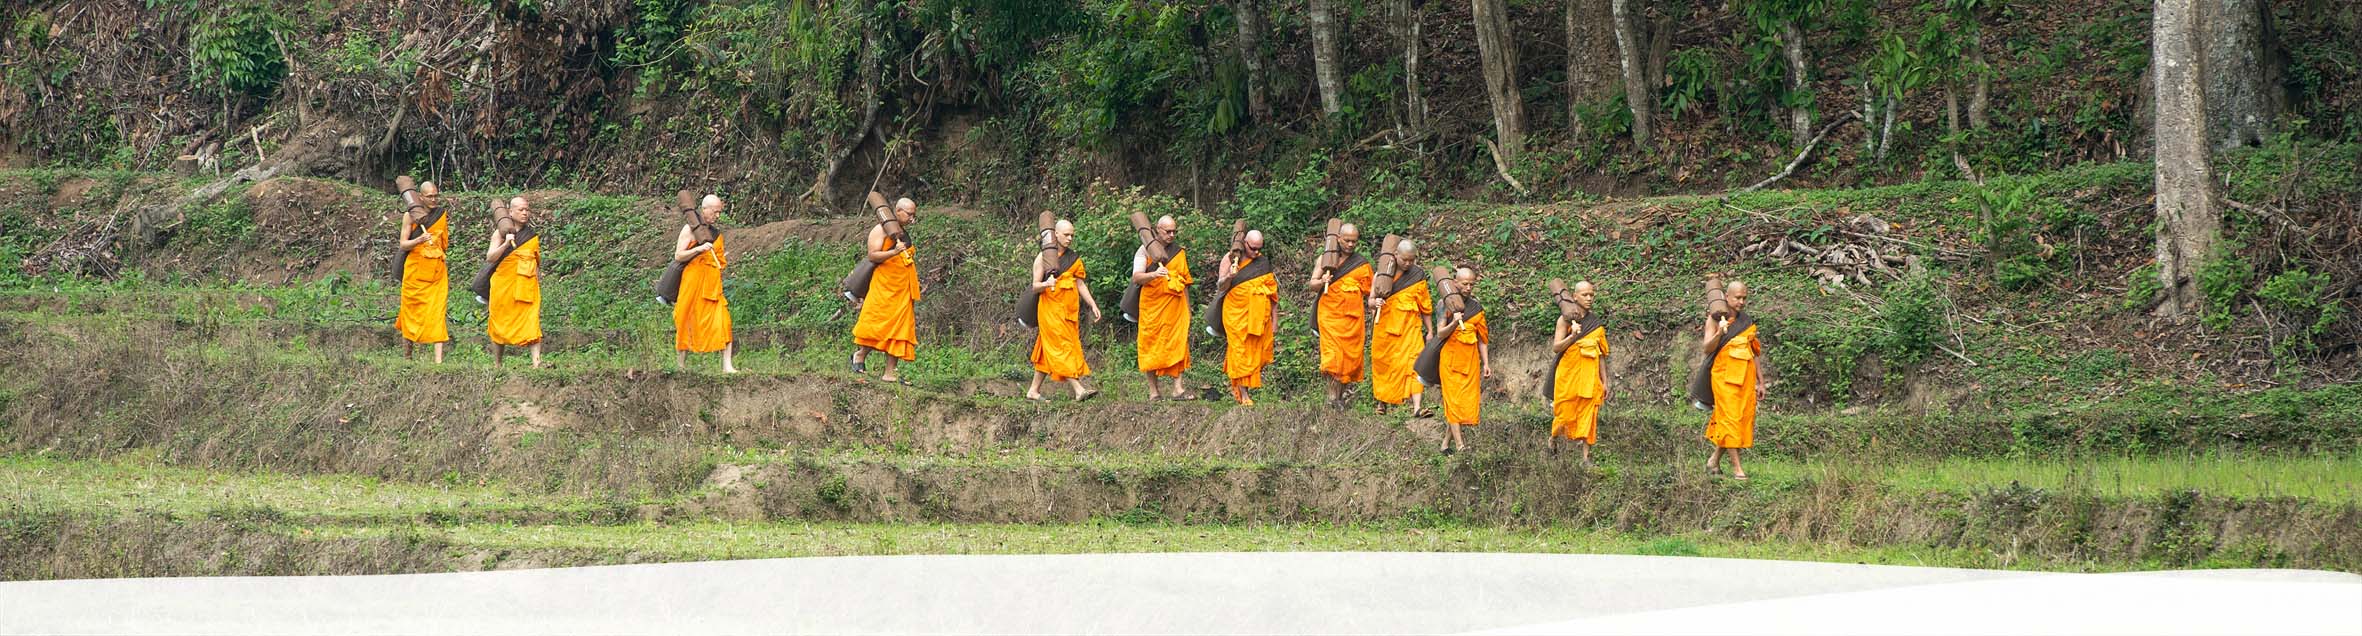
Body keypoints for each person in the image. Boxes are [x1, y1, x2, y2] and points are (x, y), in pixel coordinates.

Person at [1028, 219, 1102, 401]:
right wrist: (1047, 283)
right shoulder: (1043, 257)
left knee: (1049, 350)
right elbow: (1034, 286)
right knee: (1061, 348)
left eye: (1072, 235)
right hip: (1049, 312)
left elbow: (1080, 283)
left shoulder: (1073, 258)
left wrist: (1092, 304)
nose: (1070, 238)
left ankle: (1033, 391)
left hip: (1068, 313)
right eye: (1066, 235)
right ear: (1056, 235)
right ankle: (1079, 390)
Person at [852, 198, 921, 384]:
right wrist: (893, 252)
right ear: (897, 211)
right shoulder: (880, 229)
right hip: (883, 287)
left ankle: (890, 373)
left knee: (899, 330)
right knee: (876, 325)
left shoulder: (903, 234)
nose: (912, 218)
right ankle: (860, 355)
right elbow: (873, 255)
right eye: (909, 214)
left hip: (902, 290)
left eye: (914, 215)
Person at [1701, 280, 1762, 479]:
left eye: (1744, 298)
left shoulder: (1747, 322)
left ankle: (1713, 461)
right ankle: (1738, 469)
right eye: (1737, 297)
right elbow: (1707, 348)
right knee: (1730, 420)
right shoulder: (1714, 319)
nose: (1741, 301)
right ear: (1726, 297)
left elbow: (1754, 353)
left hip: (1745, 378)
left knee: (1741, 420)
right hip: (1724, 378)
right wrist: (1720, 331)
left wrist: (1761, 382)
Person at [1308, 223, 1370, 409]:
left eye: (1354, 241)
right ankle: (1332, 397)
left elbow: (1370, 291)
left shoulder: (1362, 264)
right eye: (1347, 240)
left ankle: (1341, 396)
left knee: (1349, 359)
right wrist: (1322, 281)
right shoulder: (1327, 259)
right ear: (1338, 239)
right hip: (1330, 317)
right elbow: (1312, 284)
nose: (1351, 245)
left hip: (1352, 319)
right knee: (1334, 358)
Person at [1132, 215, 1194, 400]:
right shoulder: (1144, 250)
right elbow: (1137, 277)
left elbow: (1184, 282)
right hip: (1152, 307)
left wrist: (1188, 308)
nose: (1172, 235)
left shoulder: (1179, 252)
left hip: (1176, 307)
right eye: (1168, 231)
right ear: (1157, 230)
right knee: (1151, 345)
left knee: (1179, 342)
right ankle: (1154, 392)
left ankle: (1178, 388)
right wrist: (1154, 274)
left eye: (1174, 231)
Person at [672, 194, 735, 373]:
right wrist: (699, 249)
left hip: (712, 286)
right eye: (715, 212)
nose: (717, 216)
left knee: (724, 321)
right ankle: (681, 366)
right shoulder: (689, 229)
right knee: (686, 321)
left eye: (719, 212)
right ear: (705, 209)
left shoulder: (715, 234)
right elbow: (678, 255)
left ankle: (727, 366)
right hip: (692, 283)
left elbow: (720, 260)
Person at [1367, 240, 1430, 417]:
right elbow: (1370, 301)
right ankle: (1382, 402)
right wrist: (1375, 302)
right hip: (1385, 329)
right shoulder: (1382, 274)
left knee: (1414, 363)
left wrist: (1430, 330)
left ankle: (1417, 407)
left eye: (1412, 260)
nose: (1408, 264)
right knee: (1385, 365)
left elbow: (1425, 306)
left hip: (1410, 329)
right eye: (1405, 260)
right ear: (1395, 255)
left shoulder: (1418, 276)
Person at [1548, 281, 1608, 463]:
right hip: (1568, 376)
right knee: (1564, 415)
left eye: (1592, 295)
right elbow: (1556, 347)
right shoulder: (1564, 320)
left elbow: (1601, 355)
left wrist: (1605, 381)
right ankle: (1553, 439)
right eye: (1585, 295)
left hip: (1590, 378)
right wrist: (1572, 336)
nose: (1589, 298)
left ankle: (1586, 457)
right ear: (1574, 297)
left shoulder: (1596, 325)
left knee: (1589, 416)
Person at [1217, 230, 1278, 406]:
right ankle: (1243, 394)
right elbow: (1221, 286)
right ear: (1244, 243)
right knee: (1240, 351)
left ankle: (1244, 387)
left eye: (1260, 249)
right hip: (1236, 314)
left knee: (1261, 354)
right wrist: (1230, 276)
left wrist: (1275, 320)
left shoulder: (1263, 263)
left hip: (1260, 317)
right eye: (1253, 248)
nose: (1256, 253)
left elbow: (1273, 295)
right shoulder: (1229, 259)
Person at [1434, 267, 1490, 454]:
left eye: (1471, 284)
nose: (1467, 287)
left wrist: (1486, 363)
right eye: (1464, 284)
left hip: (1470, 362)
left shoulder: (1476, 307)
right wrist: (1453, 322)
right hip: (1449, 361)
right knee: (1453, 402)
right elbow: (1440, 333)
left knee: (1465, 403)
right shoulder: (1444, 304)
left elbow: (1482, 339)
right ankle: (1460, 445)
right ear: (1455, 283)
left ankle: (1445, 443)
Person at [485, 197, 544, 368]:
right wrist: (505, 244)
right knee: (499, 325)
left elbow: (536, 262)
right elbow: (490, 257)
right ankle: (497, 364)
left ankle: (536, 363)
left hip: (527, 286)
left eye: (527, 209)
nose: (525, 213)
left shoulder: (532, 237)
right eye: (520, 210)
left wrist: (537, 284)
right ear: (510, 212)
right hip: (503, 287)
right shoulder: (499, 233)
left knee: (532, 322)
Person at [395, 181, 449, 363]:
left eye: (436, 195)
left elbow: (444, 244)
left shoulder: (441, 215)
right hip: (415, 273)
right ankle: (407, 357)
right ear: (420, 196)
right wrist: (419, 239)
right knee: (410, 312)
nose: (434, 199)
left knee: (437, 313)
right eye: (430, 196)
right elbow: (403, 244)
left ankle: (438, 361)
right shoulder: (410, 216)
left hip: (436, 272)